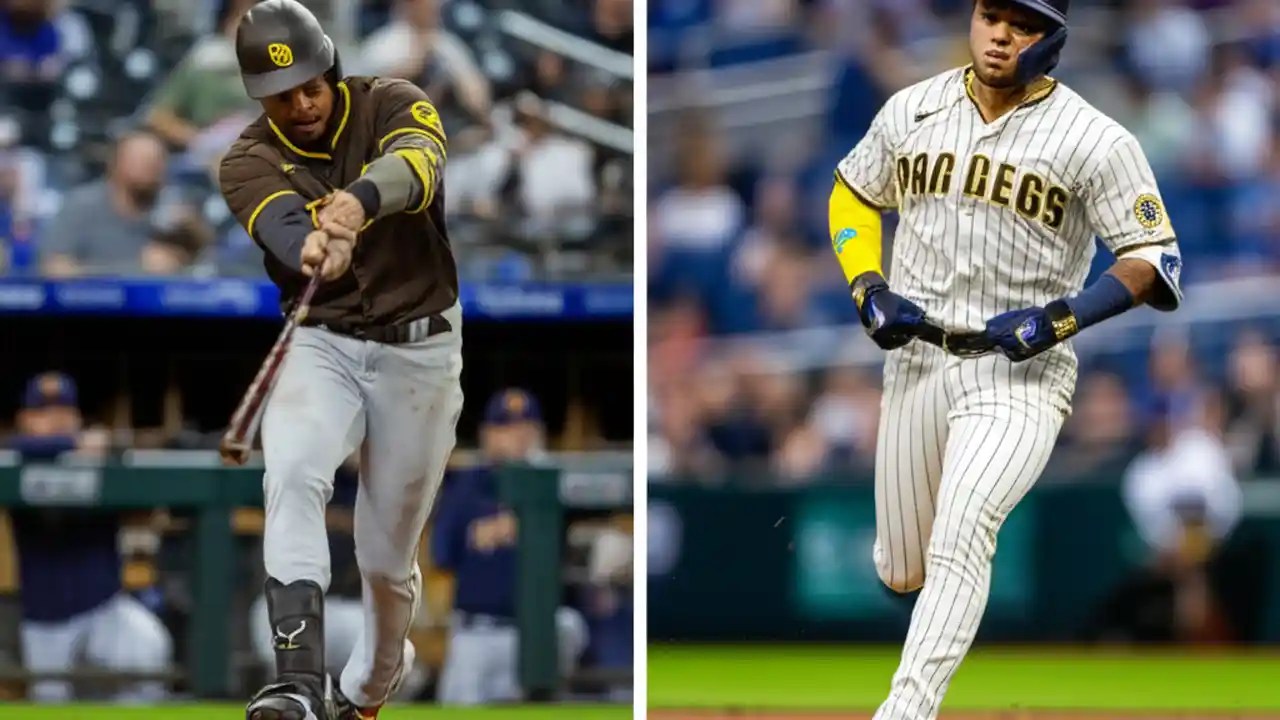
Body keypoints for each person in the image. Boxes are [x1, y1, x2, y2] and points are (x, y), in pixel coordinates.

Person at [827, 1, 1183, 718]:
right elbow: (853, 193)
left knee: (965, 527)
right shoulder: (914, 108)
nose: (1001, 34)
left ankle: (906, 709)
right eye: (993, 14)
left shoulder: (1093, 137)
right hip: (919, 362)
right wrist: (867, 286)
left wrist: (1063, 317)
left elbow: (1155, 258)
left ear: (1052, 38)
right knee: (903, 568)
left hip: (1019, 374)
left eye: (1023, 23)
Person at [216, 1, 463, 718]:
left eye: (310, 87)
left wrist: (356, 205)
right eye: (281, 96)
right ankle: (296, 678)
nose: (300, 105)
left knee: (387, 566)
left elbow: (420, 164)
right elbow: (282, 226)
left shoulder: (392, 100)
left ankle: (370, 689)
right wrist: (310, 245)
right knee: (291, 473)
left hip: (420, 348)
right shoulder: (247, 159)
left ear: (331, 69)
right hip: (322, 336)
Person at [9, 372, 173, 703]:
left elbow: (148, 499)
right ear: (25, 419)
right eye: (43, 411)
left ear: (78, 417)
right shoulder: (16, 458)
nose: (56, 418)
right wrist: (73, 443)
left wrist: (105, 447)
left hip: (103, 607)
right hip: (45, 620)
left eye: (64, 410)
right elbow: (15, 446)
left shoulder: (99, 456)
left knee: (146, 646)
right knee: (51, 704)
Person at [431, 389, 587, 706]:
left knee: (570, 626)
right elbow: (441, 555)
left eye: (527, 426)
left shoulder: (557, 486)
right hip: (479, 634)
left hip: (538, 632)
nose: (519, 435)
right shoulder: (465, 487)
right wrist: (489, 533)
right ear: (487, 434)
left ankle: (545, 694)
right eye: (507, 427)